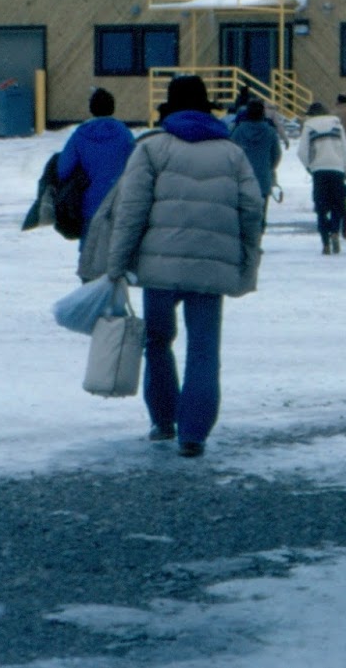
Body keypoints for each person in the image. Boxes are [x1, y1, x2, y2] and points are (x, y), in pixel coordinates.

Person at [101, 75, 264, 459]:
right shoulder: (232, 152)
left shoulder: (152, 148)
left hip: (159, 268)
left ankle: (163, 420)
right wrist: (245, 257)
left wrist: (116, 263)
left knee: (157, 342)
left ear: (169, 108)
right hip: (212, 267)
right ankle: (194, 433)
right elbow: (252, 209)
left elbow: (131, 211)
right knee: (204, 349)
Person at [57, 88, 135, 232]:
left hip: (89, 204)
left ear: (91, 109)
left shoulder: (80, 134)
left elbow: (63, 170)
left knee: (89, 251)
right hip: (118, 203)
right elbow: (135, 167)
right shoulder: (125, 134)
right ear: (112, 108)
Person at [296, 100, 346, 255]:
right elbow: (345, 151)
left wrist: (310, 166)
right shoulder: (337, 125)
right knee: (337, 206)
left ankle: (325, 244)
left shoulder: (309, 126)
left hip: (319, 171)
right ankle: (334, 231)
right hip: (337, 169)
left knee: (321, 208)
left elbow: (301, 152)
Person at [229, 96, 282, 226]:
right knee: (261, 215)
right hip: (263, 178)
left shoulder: (239, 131)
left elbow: (231, 152)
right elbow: (276, 155)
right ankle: (258, 239)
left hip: (242, 179)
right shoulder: (270, 132)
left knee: (242, 216)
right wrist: (270, 168)